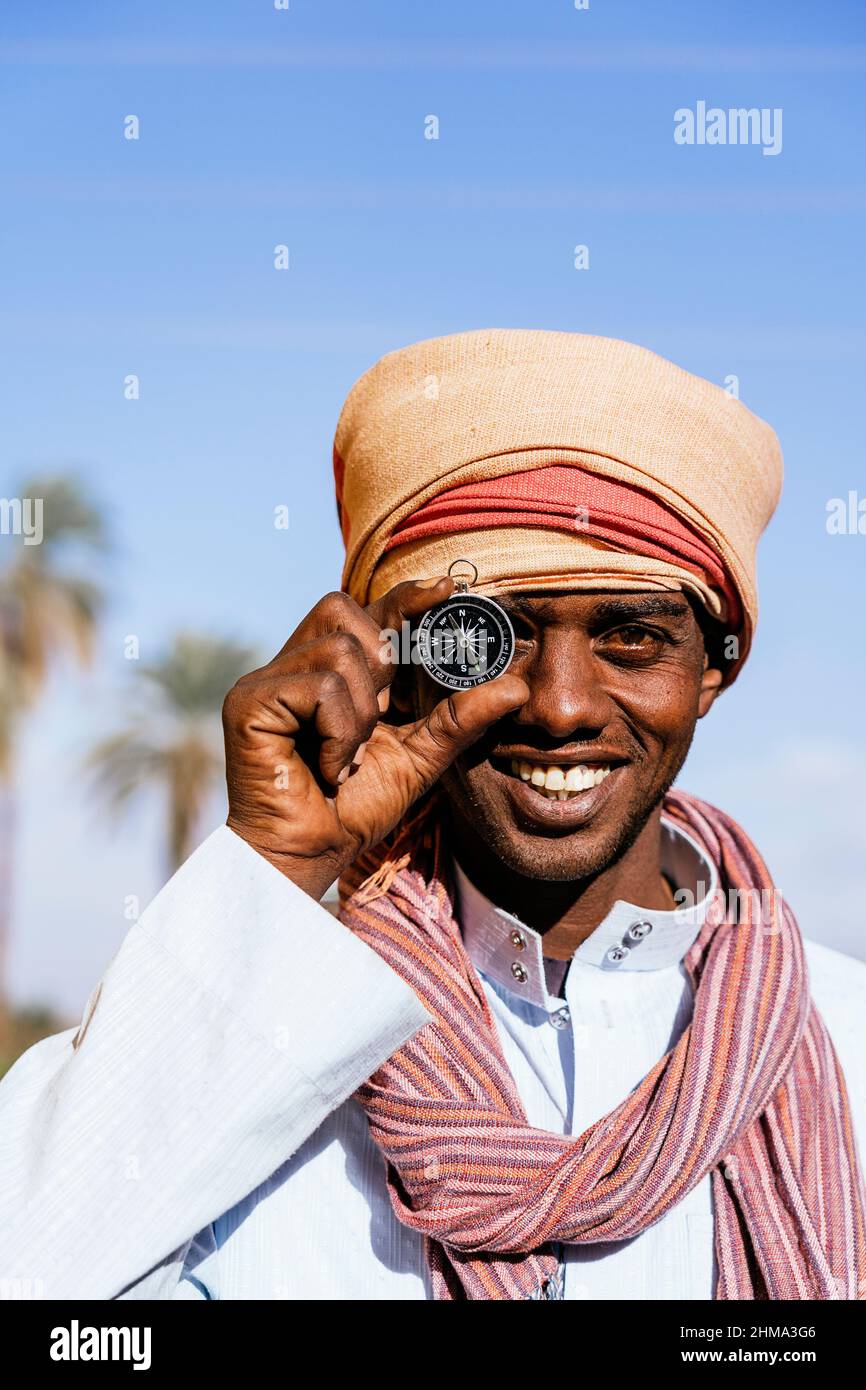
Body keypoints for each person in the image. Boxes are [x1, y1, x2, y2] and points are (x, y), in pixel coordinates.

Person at [2, 329, 864, 1301]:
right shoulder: (256, 1065)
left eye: (630, 635)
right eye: (483, 636)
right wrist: (274, 868)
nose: (560, 704)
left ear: (711, 667)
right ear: (391, 659)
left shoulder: (843, 1045)